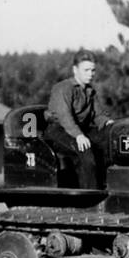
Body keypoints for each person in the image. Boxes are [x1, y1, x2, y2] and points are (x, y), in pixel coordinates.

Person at [46, 52, 113, 188]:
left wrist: (110, 125)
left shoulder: (89, 91)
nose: (91, 74)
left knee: (110, 144)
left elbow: (98, 115)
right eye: (86, 70)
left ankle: (107, 187)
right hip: (59, 131)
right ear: (75, 70)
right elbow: (65, 116)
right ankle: (90, 195)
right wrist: (79, 135)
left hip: (80, 130)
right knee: (85, 153)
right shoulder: (63, 88)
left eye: (93, 70)